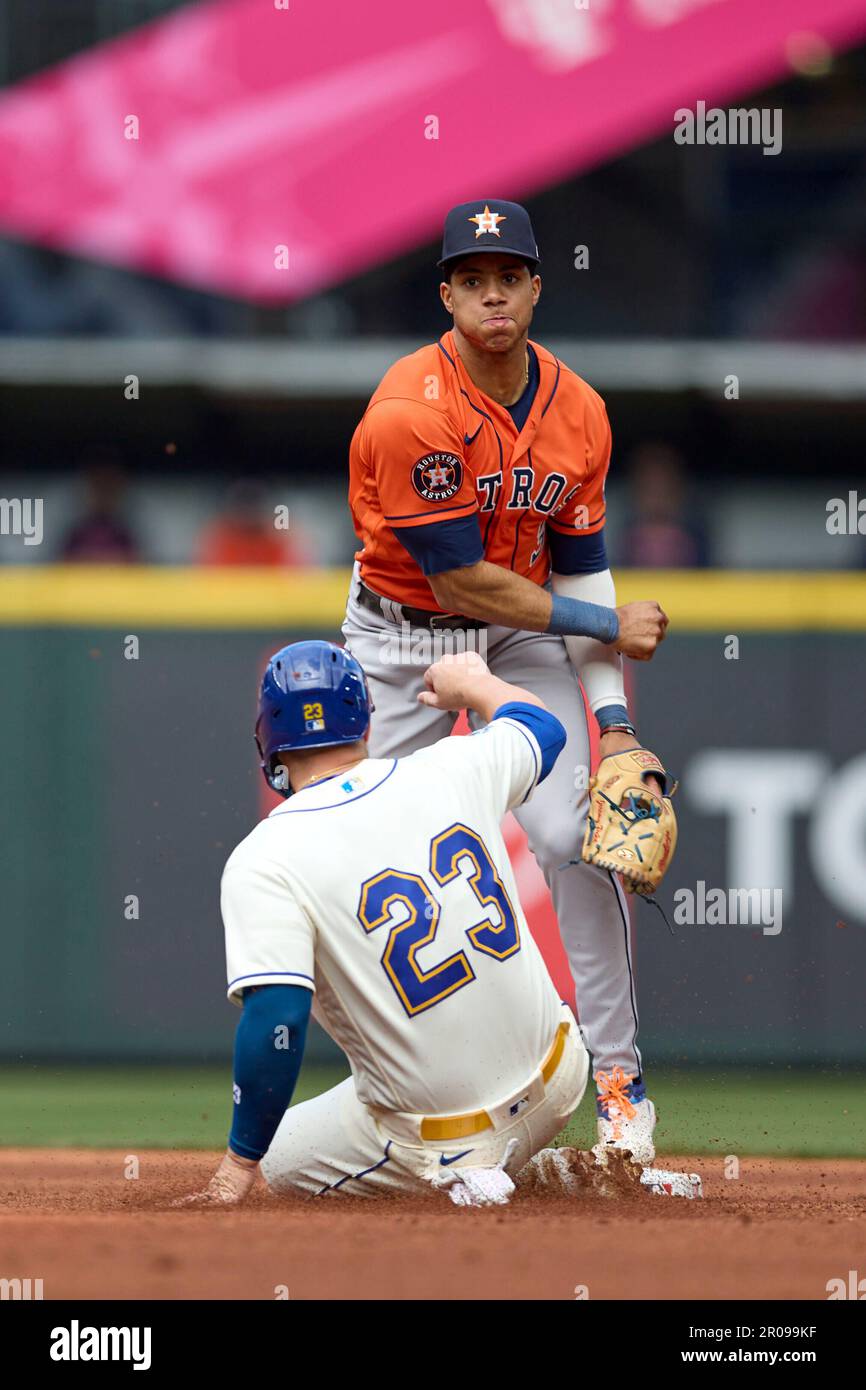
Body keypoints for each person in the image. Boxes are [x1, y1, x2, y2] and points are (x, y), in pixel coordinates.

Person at [342, 199, 671, 1164]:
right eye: (472, 279)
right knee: (361, 862)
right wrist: (607, 628)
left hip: (519, 635)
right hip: (401, 641)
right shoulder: (411, 409)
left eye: (509, 276)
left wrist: (611, 723)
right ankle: (394, 1092)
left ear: (535, 286)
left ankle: (618, 1079)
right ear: (447, 296)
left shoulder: (580, 412)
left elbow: (579, 564)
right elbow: (456, 579)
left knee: (583, 838)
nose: (493, 293)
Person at [179, 641, 591, 1206]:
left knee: (282, 1157)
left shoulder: (265, 857)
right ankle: (536, 1168)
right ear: (365, 715)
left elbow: (278, 1018)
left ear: (268, 737)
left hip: (445, 1138)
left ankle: (470, 1174)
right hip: (563, 1078)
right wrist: (474, 684)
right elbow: (544, 727)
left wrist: (237, 1165)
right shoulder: (451, 765)